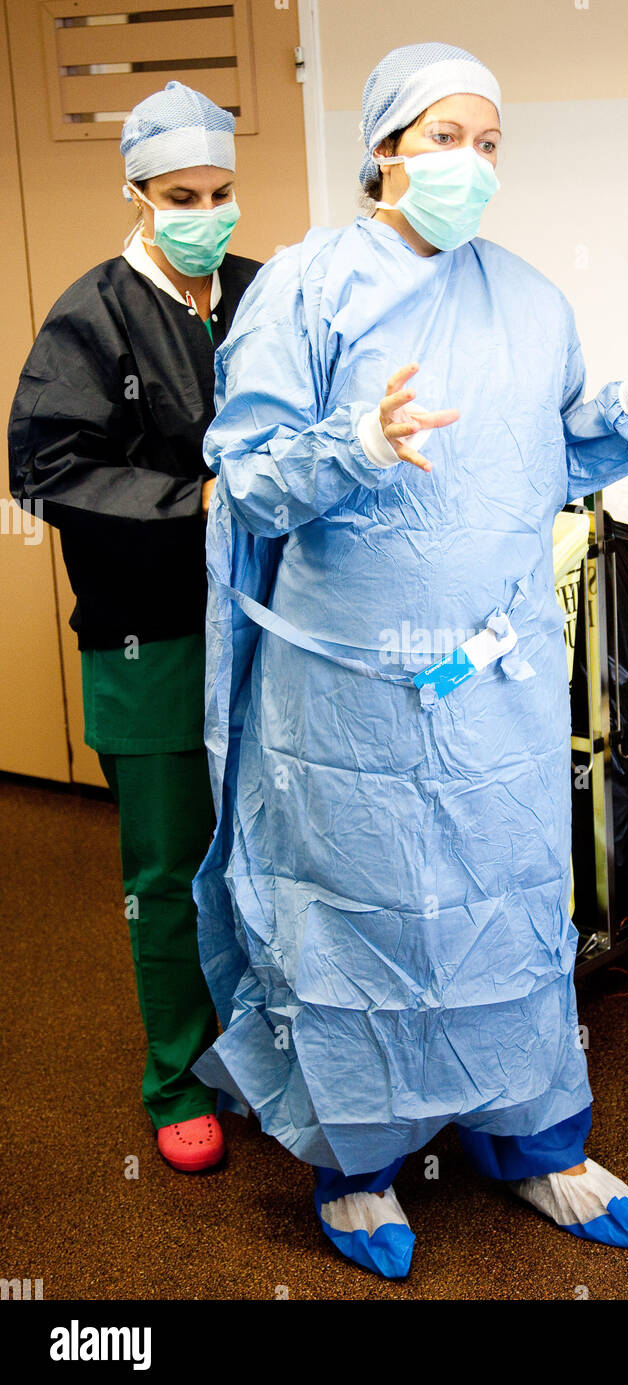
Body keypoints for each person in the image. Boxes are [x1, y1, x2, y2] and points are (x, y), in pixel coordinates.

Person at [191, 43, 628, 1275]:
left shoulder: (530, 299)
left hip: (493, 689)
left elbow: (549, 461)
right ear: (384, 149)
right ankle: (359, 1169)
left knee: (507, 908)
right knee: (362, 912)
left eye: (488, 143)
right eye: (444, 137)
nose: (470, 166)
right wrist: (356, 443)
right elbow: (249, 480)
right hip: (348, 699)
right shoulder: (304, 289)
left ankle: (539, 1139)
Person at [8, 82, 261, 1173]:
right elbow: (45, 469)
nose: (204, 211)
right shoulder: (93, 313)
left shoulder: (261, 293)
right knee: (169, 870)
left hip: (266, 635)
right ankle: (174, 1077)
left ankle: (256, 1054)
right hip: (147, 642)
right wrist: (190, 503)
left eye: (219, 192)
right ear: (139, 194)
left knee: (265, 858)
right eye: (180, 194)